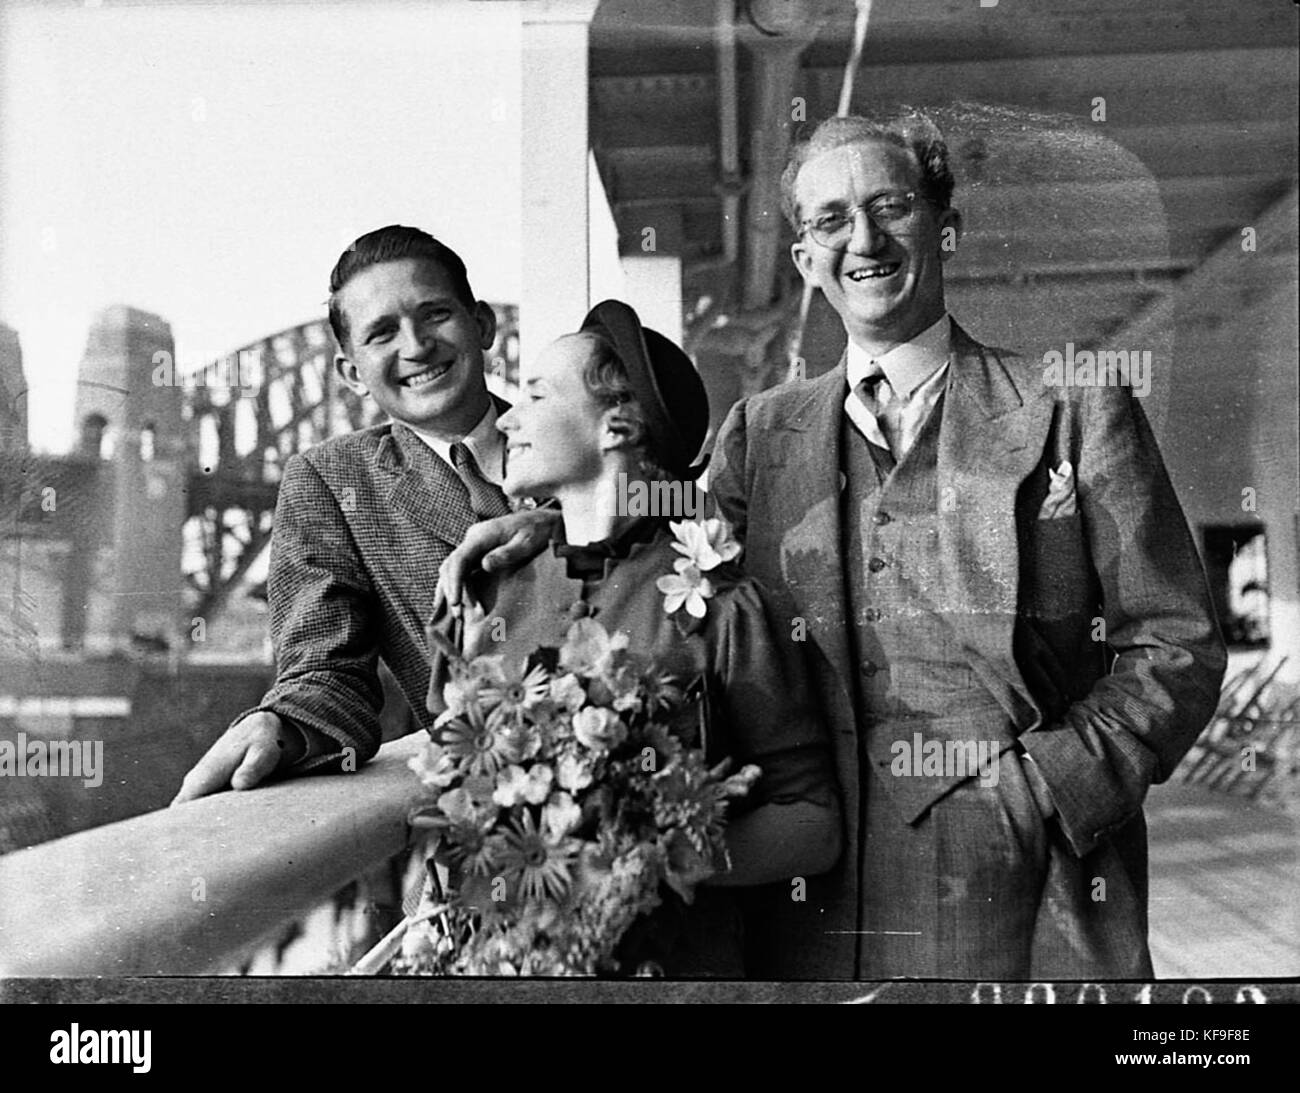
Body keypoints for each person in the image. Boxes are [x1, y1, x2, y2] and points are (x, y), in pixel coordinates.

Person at [444, 113, 1227, 981]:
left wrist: (1049, 785)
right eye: (828, 222)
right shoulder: (762, 431)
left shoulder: (1073, 408)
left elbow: (1174, 642)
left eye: (890, 206)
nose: (863, 239)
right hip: (807, 897)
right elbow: (668, 556)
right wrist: (547, 525)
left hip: (1028, 893)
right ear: (805, 261)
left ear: (945, 226)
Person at [426, 301, 841, 975]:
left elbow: (813, 822)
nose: (505, 418)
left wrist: (647, 865)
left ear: (618, 425)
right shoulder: (490, 588)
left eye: (533, 395)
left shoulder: (721, 603)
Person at [172, 225, 556, 803]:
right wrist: (283, 726)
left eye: (434, 315)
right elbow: (325, 670)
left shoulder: (574, 435)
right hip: (495, 821)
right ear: (352, 373)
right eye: (382, 334)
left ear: (482, 326)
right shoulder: (330, 481)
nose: (416, 346)